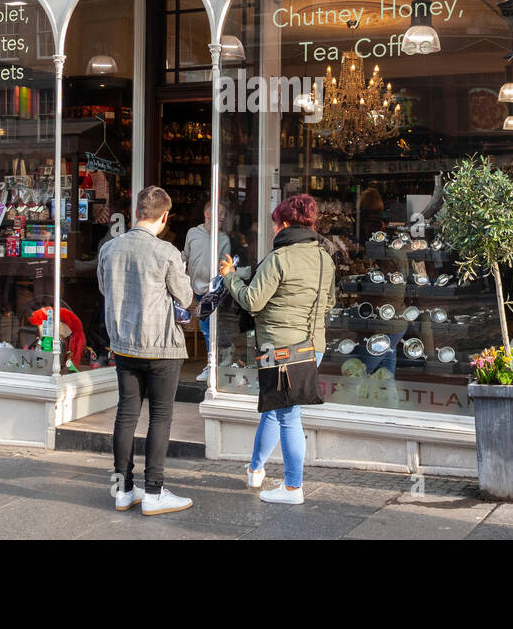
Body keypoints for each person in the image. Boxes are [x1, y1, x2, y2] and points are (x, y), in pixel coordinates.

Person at [218, 194, 334, 505]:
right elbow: (329, 303)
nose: (272, 229)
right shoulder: (325, 258)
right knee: (275, 409)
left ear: (283, 224)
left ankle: (293, 488)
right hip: (312, 345)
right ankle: (255, 470)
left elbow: (252, 301)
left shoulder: (279, 258)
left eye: (274, 223)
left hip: (279, 349)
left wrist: (229, 279)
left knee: (287, 415)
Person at [96, 185, 195, 516]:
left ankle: (122, 489)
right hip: (162, 346)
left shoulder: (109, 249)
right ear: (164, 216)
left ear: (136, 211)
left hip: (124, 343)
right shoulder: (167, 252)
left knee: (126, 415)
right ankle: (154, 491)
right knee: (161, 416)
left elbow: (103, 288)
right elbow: (185, 298)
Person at [182, 200, 232, 382]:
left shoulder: (223, 238)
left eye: (224, 214)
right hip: (197, 287)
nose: (223, 216)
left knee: (208, 328)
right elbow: (185, 256)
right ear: (207, 213)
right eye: (220, 212)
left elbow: (223, 264)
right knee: (210, 327)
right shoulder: (193, 233)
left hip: (214, 288)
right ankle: (226, 351)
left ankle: (212, 366)